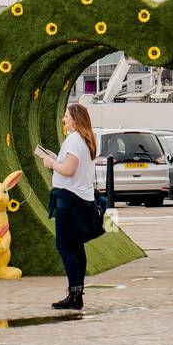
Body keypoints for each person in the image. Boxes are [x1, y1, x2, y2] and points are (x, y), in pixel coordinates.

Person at [35, 102, 102, 311]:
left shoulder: (73, 139)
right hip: (82, 198)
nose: (64, 120)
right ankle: (77, 292)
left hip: (69, 200)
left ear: (74, 118)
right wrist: (57, 160)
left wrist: (51, 164)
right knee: (76, 246)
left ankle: (74, 295)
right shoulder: (86, 139)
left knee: (64, 246)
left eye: (66, 116)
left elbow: (69, 170)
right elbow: (73, 167)